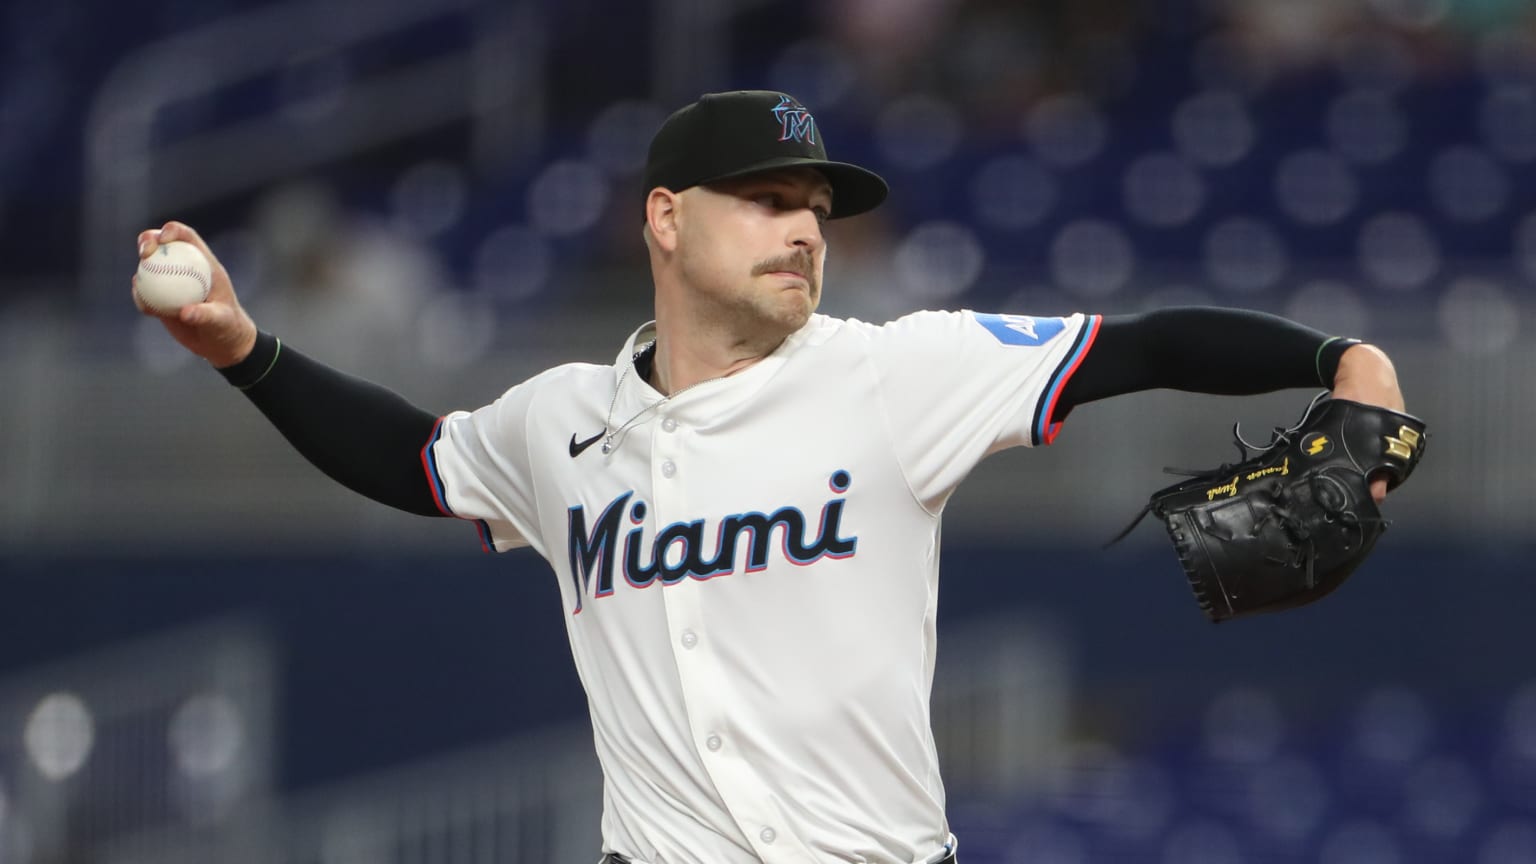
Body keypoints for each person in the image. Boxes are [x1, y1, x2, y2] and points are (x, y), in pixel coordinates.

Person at [135, 90, 1406, 864]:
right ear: (667, 219)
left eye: (814, 204)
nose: (804, 225)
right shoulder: (558, 424)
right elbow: (414, 462)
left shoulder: (899, 373)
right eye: (764, 198)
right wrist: (245, 352)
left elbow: (1146, 345)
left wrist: (1340, 358)